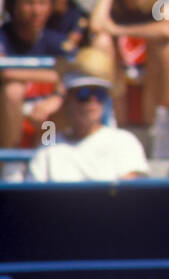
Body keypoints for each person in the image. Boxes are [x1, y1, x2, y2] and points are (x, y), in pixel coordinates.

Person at [87, 0, 169, 137]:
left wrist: (119, 30)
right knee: (101, 43)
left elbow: (168, 30)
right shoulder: (109, 3)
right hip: (122, 90)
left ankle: (161, 124)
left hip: (153, 91)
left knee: (164, 47)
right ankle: (111, 120)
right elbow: (96, 26)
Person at [26, 48, 149, 182]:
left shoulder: (124, 142)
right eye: (83, 94)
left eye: (100, 94)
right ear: (67, 99)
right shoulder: (48, 150)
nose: (92, 102)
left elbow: (131, 193)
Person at [0, 0, 68, 149]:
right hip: (6, 114)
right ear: (13, 4)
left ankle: (49, 159)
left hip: (45, 116)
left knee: (60, 103)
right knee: (12, 91)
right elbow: (5, 74)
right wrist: (54, 75)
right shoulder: (3, 38)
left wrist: (55, 99)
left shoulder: (57, 42)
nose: (36, 10)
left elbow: (70, 76)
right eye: (29, 2)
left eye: (42, 2)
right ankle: (11, 165)